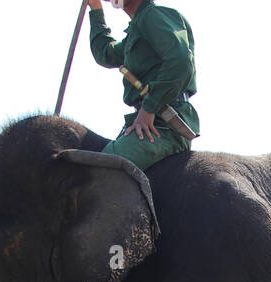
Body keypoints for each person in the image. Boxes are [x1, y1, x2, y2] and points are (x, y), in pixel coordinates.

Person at [85, 0, 199, 171]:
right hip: (152, 121)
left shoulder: (153, 15)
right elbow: (106, 54)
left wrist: (149, 108)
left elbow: (181, 62)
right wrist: (95, 9)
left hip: (165, 125)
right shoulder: (137, 29)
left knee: (105, 169)